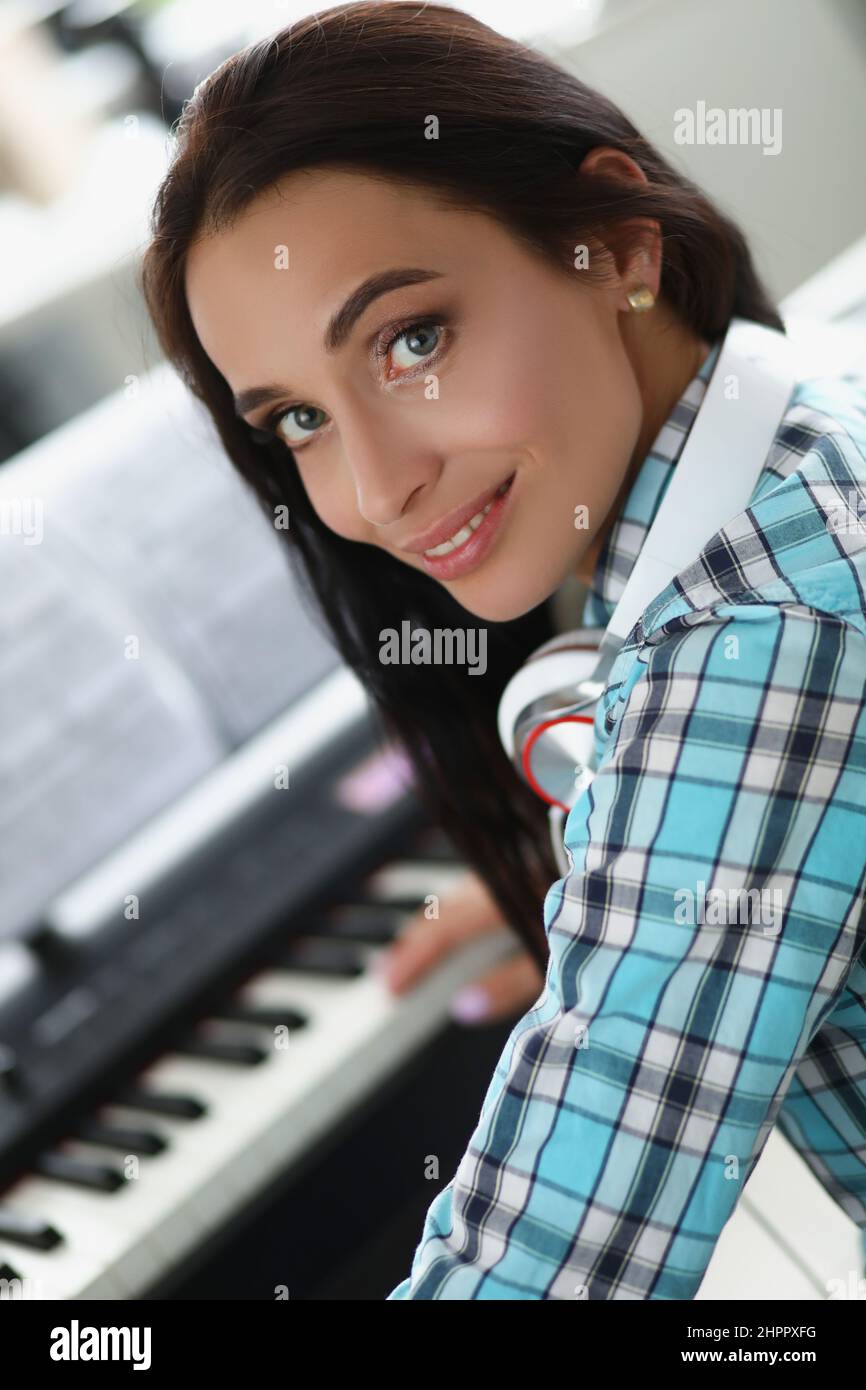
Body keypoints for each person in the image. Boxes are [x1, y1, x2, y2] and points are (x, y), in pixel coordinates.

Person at [141, 1, 866, 1299]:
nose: (376, 489)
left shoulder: (760, 631)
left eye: (410, 340)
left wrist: (657, 871)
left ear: (614, 245)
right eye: (298, 417)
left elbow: (547, 1266)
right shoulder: (808, 440)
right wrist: (618, 860)